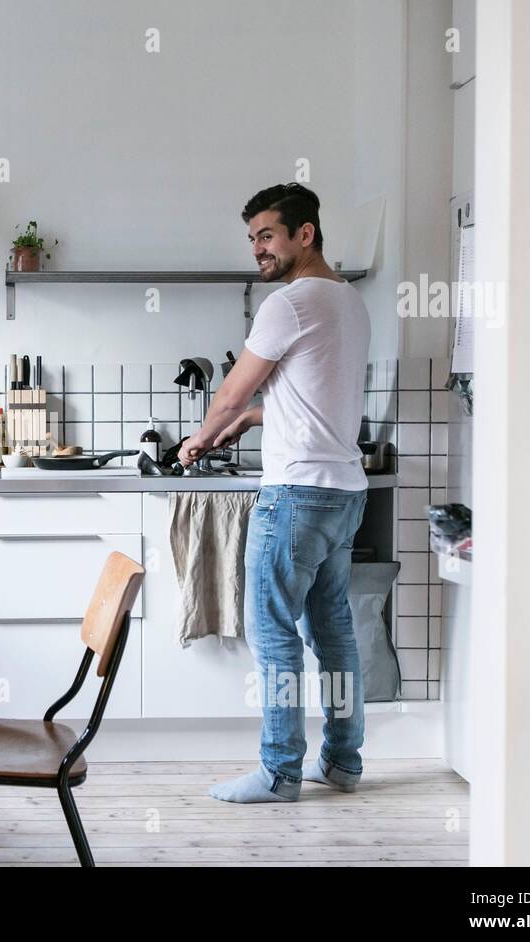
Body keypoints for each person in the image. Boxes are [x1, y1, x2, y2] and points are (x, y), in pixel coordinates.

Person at [177, 183, 370, 803]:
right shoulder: (349, 302)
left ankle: (280, 771)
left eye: (267, 235)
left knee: (274, 633)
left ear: (304, 234)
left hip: (294, 496)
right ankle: (342, 761)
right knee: (334, 632)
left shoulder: (287, 305)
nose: (258, 249)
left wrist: (199, 438)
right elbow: (314, 398)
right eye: (253, 238)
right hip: (343, 494)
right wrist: (250, 421)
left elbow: (232, 389)